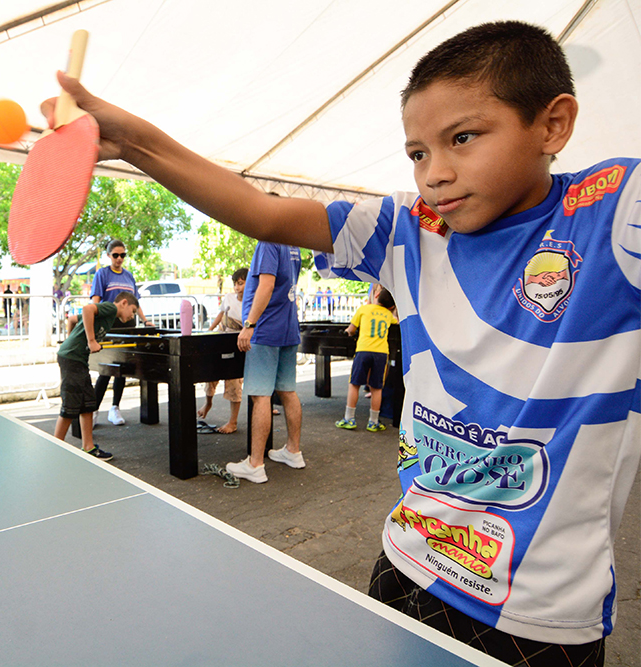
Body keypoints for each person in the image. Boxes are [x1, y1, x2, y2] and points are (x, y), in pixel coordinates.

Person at [40, 20, 638, 664]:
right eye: (417, 152)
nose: (435, 173)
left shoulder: (614, 213)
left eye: (463, 138)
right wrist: (131, 141)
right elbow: (262, 211)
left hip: (536, 615)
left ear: (553, 125)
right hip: (407, 565)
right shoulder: (407, 226)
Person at [224, 242, 304, 483]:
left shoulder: (268, 242)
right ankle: (293, 451)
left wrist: (249, 324)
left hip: (266, 329)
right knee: (288, 391)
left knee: (260, 395)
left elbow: (266, 285)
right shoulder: (293, 245)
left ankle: (255, 464)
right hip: (288, 327)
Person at [53, 291, 139, 461]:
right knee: (71, 406)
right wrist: (91, 340)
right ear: (123, 303)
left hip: (77, 358)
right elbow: (86, 309)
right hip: (72, 359)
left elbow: (72, 320)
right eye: (133, 311)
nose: (132, 316)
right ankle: (54, 448)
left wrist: (72, 341)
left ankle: (88, 447)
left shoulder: (109, 317)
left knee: (88, 403)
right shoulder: (110, 308)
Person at [90, 239, 153, 425]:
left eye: (122, 255)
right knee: (105, 369)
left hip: (128, 324)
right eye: (115, 255)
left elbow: (135, 302)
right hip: (110, 325)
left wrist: (145, 320)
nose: (119, 259)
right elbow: (96, 301)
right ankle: (93, 409)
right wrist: (94, 320)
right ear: (108, 256)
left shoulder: (129, 276)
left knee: (123, 368)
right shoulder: (102, 274)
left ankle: (115, 407)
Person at [335, 289, 397, 432]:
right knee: (377, 388)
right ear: (392, 306)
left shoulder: (363, 309)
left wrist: (349, 332)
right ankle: (373, 422)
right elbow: (397, 322)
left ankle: (349, 419)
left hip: (363, 351)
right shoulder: (388, 314)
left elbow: (351, 330)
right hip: (381, 353)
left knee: (354, 384)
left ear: (376, 296)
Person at [196, 267, 247, 434]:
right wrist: (210, 330)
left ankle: (233, 421)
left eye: (240, 283)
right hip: (221, 337)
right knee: (211, 371)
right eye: (235, 284)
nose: (237, 288)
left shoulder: (251, 301)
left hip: (238, 343)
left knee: (233, 381)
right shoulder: (229, 298)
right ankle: (208, 402)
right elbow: (220, 315)